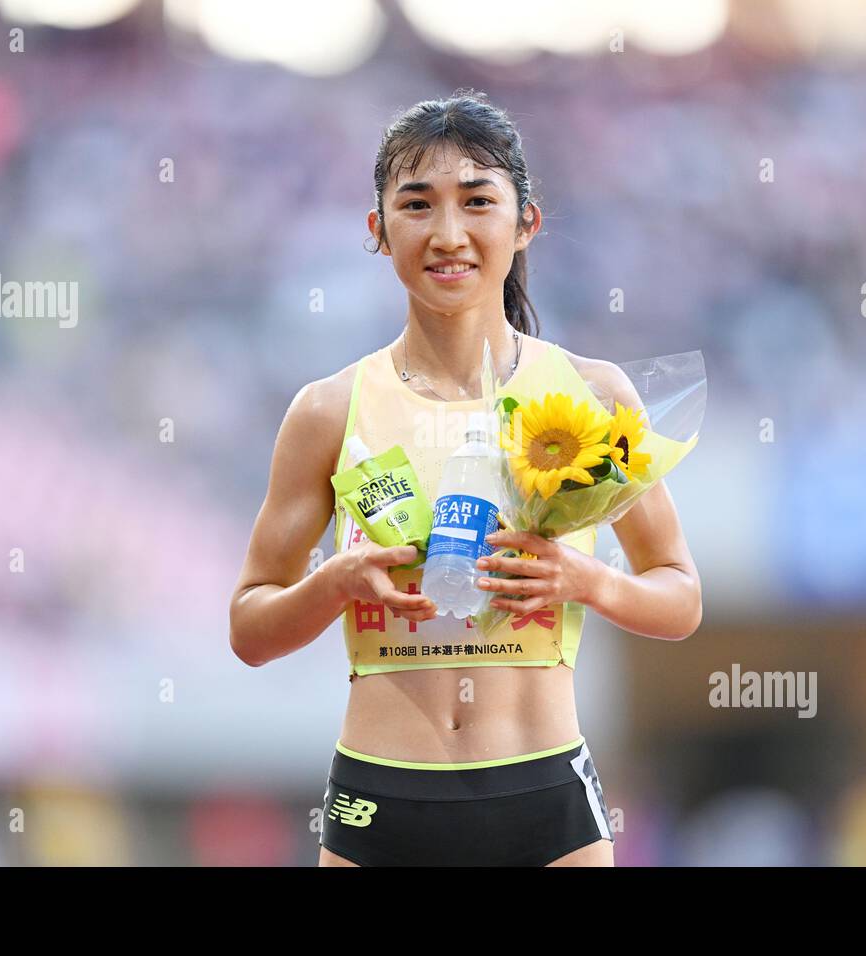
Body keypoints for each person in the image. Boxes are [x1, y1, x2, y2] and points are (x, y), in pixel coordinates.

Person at [229, 90, 702, 866]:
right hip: (379, 800)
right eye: (417, 205)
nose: (449, 234)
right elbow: (250, 628)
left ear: (526, 224)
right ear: (378, 231)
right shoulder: (328, 411)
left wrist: (583, 580)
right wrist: (335, 583)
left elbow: (680, 596)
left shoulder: (591, 397)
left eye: (478, 202)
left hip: (544, 800)